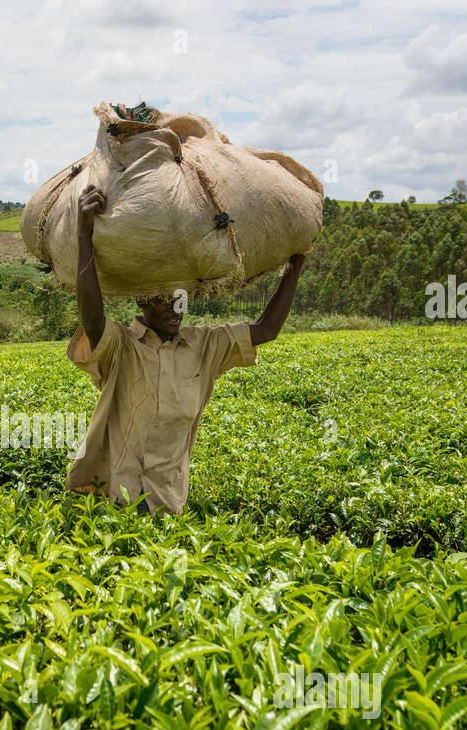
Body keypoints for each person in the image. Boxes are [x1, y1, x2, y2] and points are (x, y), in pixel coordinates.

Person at [67, 184, 304, 515]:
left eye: (180, 298)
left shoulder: (205, 345)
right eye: (165, 297)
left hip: (166, 503)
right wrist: (83, 235)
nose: (175, 308)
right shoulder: (121, 345)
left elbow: (266, 329)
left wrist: (297, 262)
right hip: (113, 499)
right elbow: (92, 318)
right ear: (142, 299)